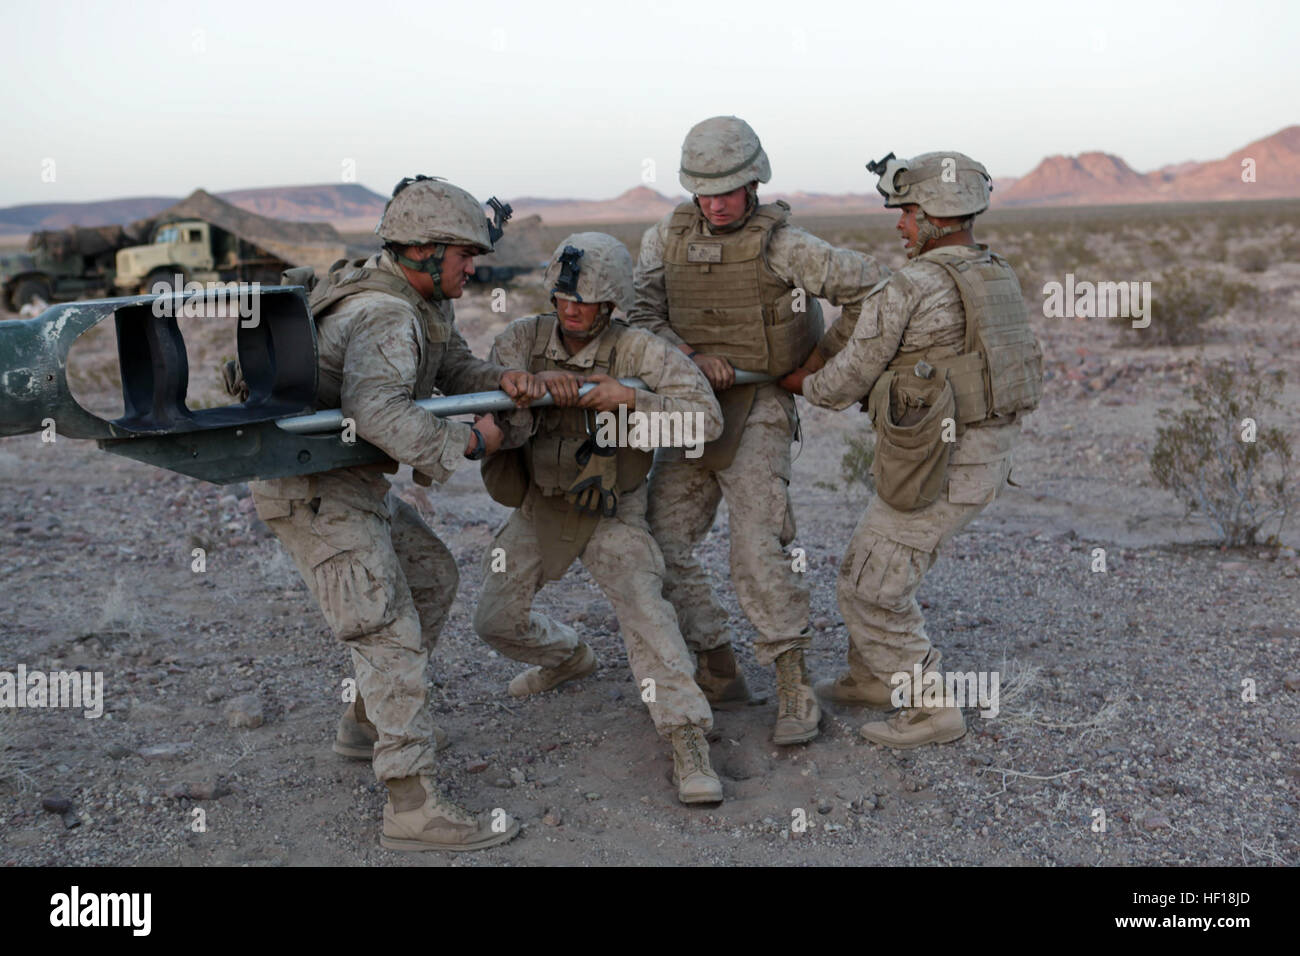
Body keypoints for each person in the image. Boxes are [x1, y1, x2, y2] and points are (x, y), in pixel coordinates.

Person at [248, 175, 543, 850]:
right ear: (426, 250)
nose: (474, 266)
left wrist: (503, 385)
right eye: (465, 254)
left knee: (432, 578)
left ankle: (363, 724)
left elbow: (453, 368)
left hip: (348, 483)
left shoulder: (418, 300)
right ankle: (411, 807)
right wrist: (470, 440)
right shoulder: (385, 313)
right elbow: (377, 411)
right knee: (386, 629)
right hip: (316, 492)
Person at [629, 115, 888, 745]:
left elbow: (873, 285)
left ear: (753, 181)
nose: (714, 203)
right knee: (659, 541)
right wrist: (685, 355)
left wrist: (823, 361)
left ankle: (794, 685)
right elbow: (640, 313)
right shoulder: (664, 238)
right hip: (691, 408)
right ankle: (718, 667)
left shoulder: (786, 247)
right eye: (703, 190)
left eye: (726, 189)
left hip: (760, 407)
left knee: (756, 547)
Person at [780, 151, 1042, 748]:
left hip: (940, 467)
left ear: (932, 217)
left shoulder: (913, 284)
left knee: (869, 586)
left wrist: (799, 383)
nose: (899, 225)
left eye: (906, 212)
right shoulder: (995, 271)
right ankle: (873, 678)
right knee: (879, 563)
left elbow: (845, 379)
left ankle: (930, 709)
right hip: (983, 457)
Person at [475, 232, 727, 803]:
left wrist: (632, 400)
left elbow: (704, 423)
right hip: (541, 505)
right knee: (494, 619)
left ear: (612, 303)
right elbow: (489, 410)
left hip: (614, 510)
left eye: (585, 302)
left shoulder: (640, 351)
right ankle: (567, 658)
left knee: (647, 613)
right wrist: (527, 392)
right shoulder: (520, 339)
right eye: (564, 299)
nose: (571, 310)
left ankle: (688, 738)